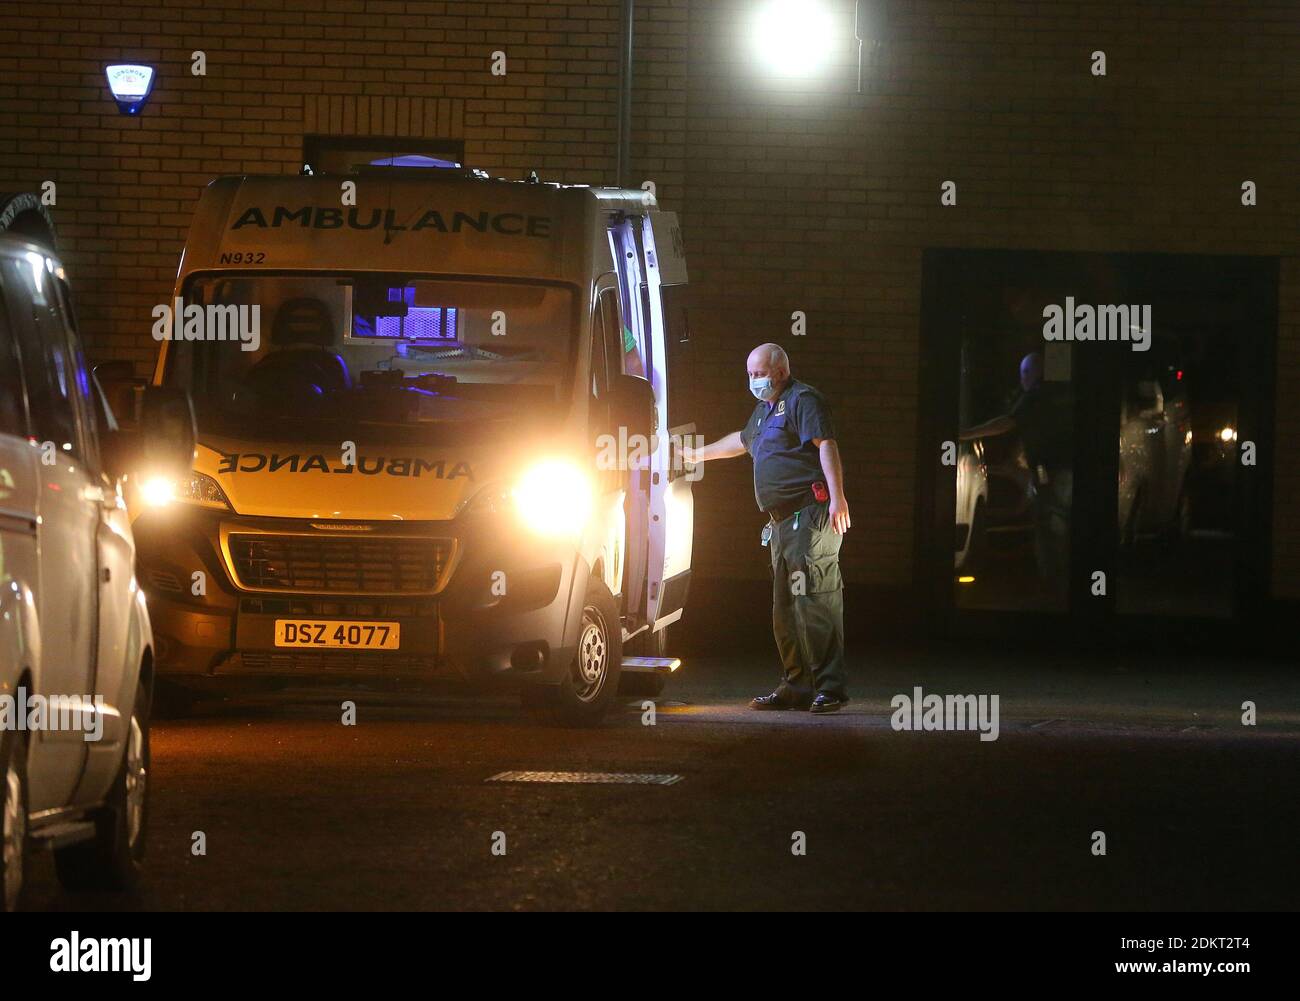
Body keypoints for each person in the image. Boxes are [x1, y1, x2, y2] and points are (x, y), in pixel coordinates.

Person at [683, 344, 851, 713]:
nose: (754, 380)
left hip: (809, 515)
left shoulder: (803, 400)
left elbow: (826, 445)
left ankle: (830, 688)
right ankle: (797, 684)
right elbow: (740, 443)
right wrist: (696, 454)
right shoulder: (763, 411)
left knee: (817, 601)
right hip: (780, 523)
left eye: (759, 373)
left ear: (780, 371)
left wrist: (838, 497)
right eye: (750, 374)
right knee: (785, 609)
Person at [960, 351, 1072, 594]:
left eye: (1024, 373)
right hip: (1063, 471)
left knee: (1050, 527)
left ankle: (1054, 585)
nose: (1022, 379)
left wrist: (964, 434)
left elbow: (1006, 422)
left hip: (1051, 473)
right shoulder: (1061, 395)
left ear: (1032, 373)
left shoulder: (1036, 396)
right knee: (1059, 524)